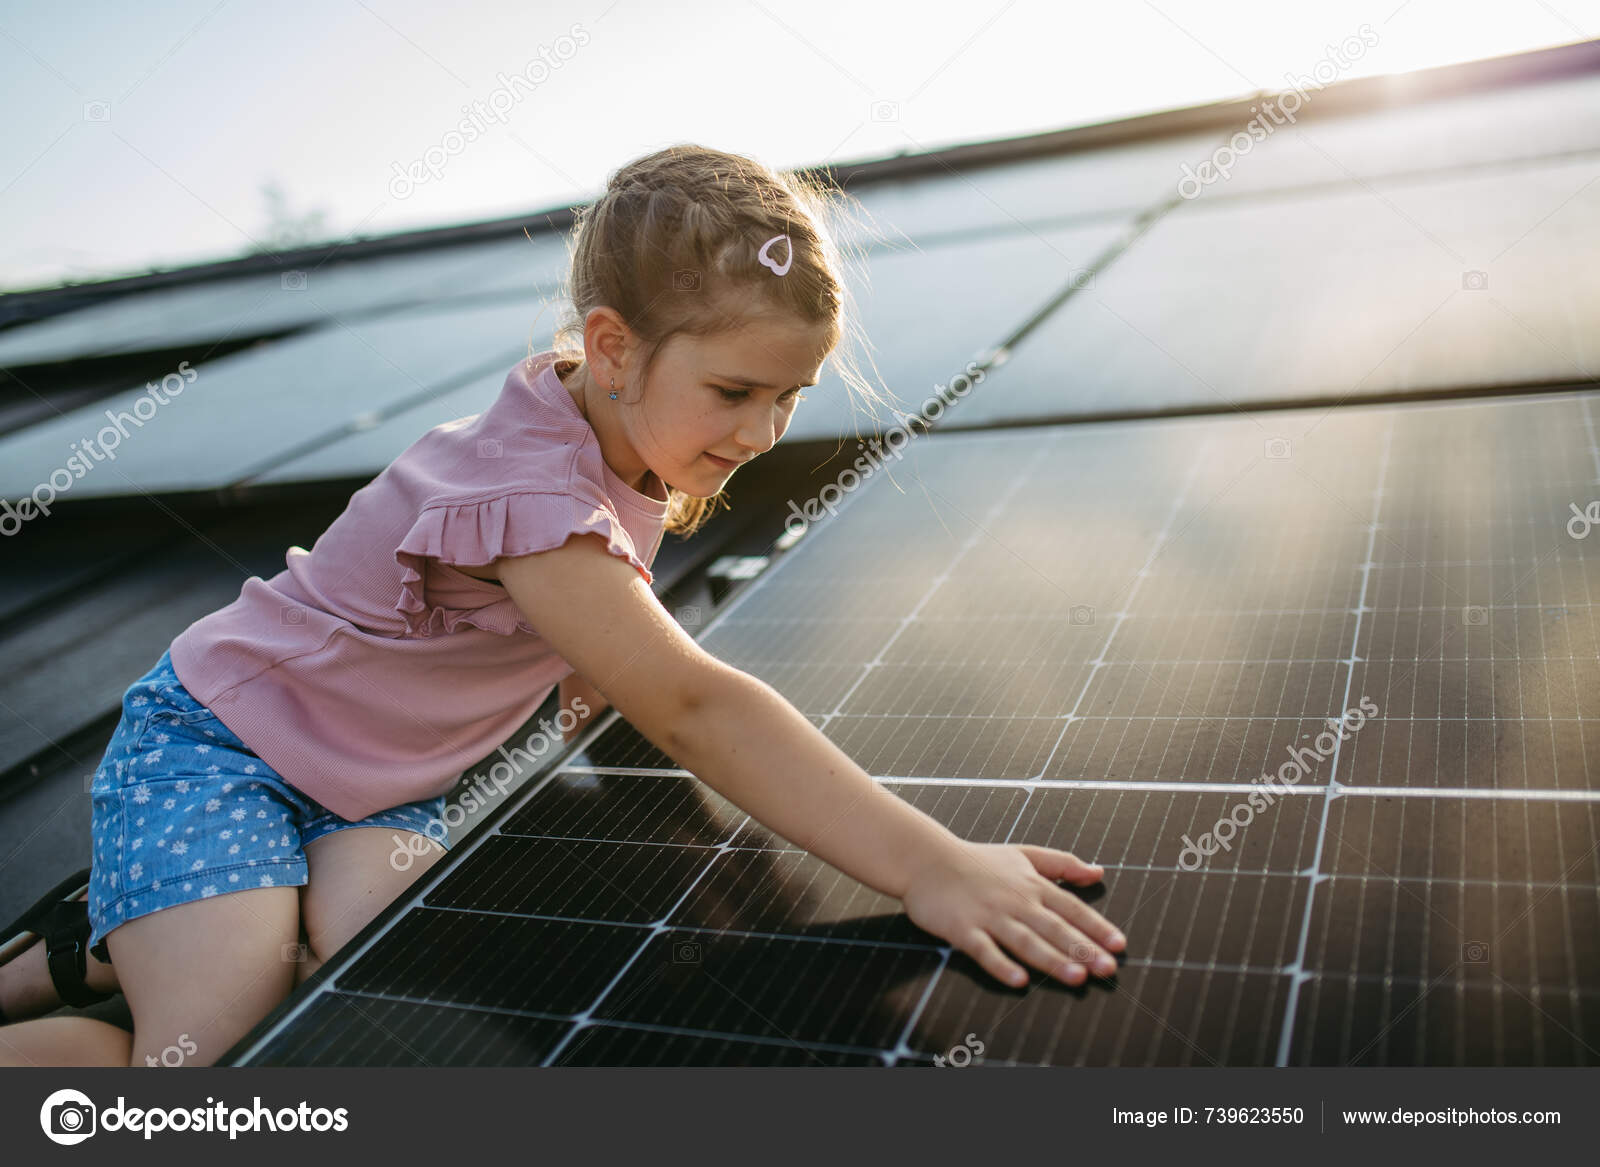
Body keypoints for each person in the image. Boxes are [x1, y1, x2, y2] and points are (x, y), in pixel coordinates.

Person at [0, 143, 1125, 1068]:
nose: (759, 434)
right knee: (214, 1057)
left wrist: (576, 658)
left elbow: (551, 610)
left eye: (790, 397)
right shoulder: (531, 491)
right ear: (611, 346)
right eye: (733, 392)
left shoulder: (605, 418)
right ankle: (129, 967)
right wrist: (928, 864)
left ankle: (127, 927)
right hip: (226, 751)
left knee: (355, 964)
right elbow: (689, 704)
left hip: (367, 789)